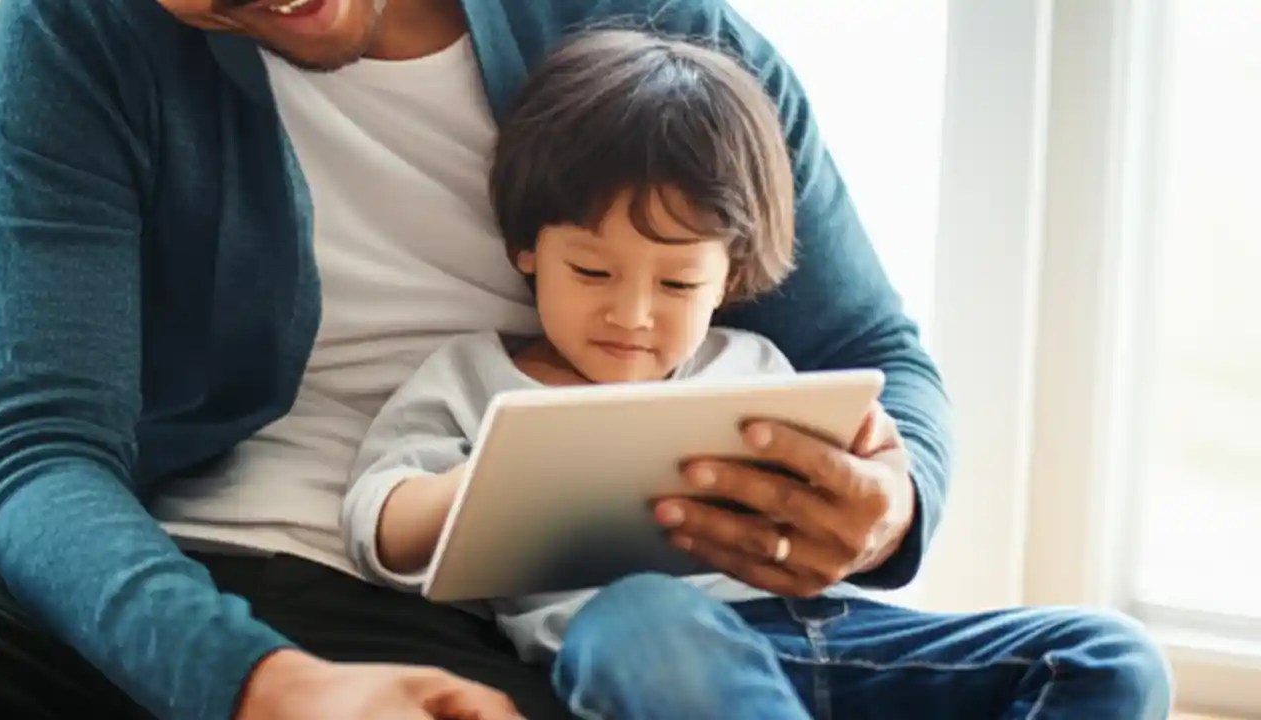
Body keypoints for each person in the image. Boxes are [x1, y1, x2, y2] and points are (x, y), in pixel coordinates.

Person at [0, 1, 1171, 719]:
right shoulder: (80, 36)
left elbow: (869, 353)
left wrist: (886, 501)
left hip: (676, 619)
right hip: (267, 570)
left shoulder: (658, 38)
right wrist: (255, 683)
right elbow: (37, 455)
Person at [345, 28, 1174, 720]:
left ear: (731, 279)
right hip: (648, 655)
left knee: (1108, 655)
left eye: (676, 284)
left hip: (826, 635)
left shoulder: (755, 370)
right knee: (641, 612)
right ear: (528, 249)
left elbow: (854, 484)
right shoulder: (470, 377)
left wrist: (865, 468)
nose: (631, 314)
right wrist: (480, 486)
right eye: (592, 273)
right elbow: (376, 519)